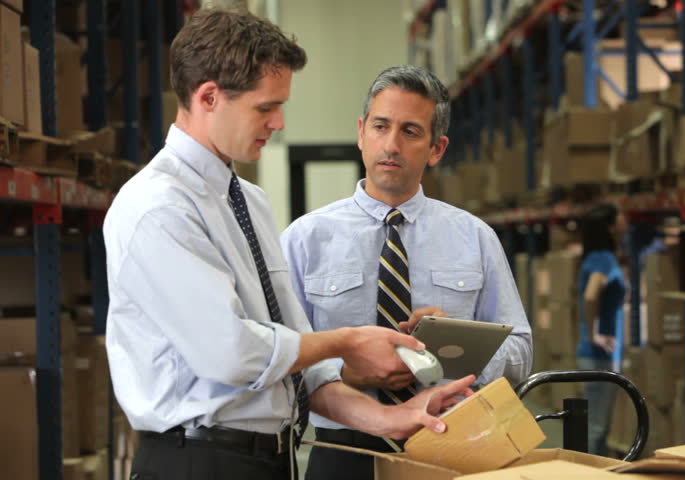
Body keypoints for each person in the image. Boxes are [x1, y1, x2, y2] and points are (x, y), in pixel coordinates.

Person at [103, 9, 474, 480]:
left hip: (269, 460)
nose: (278, 122)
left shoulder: (248, 201)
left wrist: (391, 417)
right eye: (265, 107)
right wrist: (346, 341)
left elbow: (296, 361)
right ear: (209, 97)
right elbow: (231, 353)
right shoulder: (159, 208)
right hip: (198, 461)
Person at [280, 65, 532, 480]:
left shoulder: (475, 238)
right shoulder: (305, 240)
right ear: (361, 132)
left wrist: (462, 345)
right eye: (381, 126)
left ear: (437, 149)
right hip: (342, 450)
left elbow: (521, 354)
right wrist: (344, 371)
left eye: (411, 132)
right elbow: (280, 353)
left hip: (452, 443)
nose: (391, 144)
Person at [576, 203, 628, 456]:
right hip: (598, 353)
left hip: (596, 353)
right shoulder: (603, 259)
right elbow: (590, 295)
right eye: (620, 217)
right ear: (609, 227)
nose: (625, 220)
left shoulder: (596, 257)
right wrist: (594, 333)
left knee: (596, 425)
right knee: (596, 427)